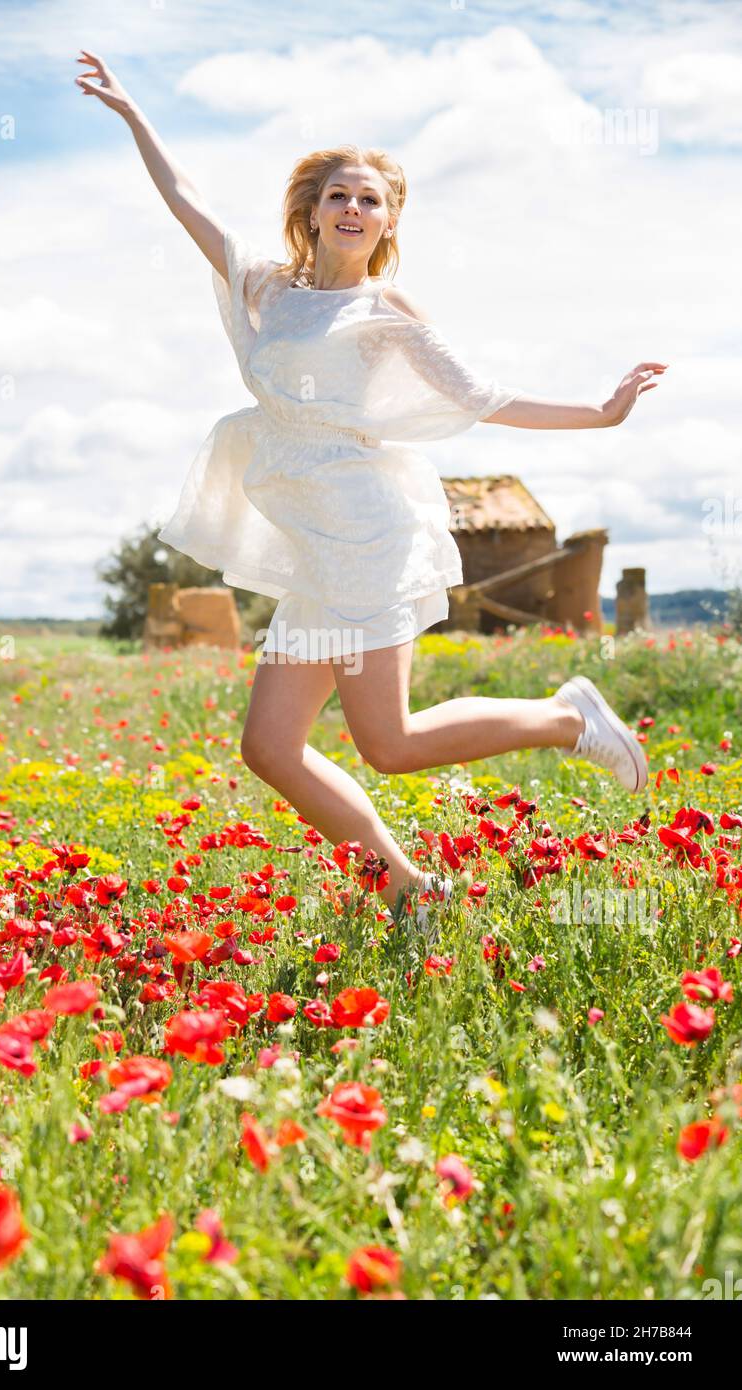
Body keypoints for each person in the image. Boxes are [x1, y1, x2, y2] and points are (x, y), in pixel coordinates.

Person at [76, 51, 666, 930]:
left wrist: (601, 412)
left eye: (371, 200)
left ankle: (564, 718)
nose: (353, 208)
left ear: (386, 224)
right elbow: (188, 197)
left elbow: (483, 397)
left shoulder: (386, 313)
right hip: (314, 543)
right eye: (339, 195)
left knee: (387, 743)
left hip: (366, 530)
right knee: (272, 747)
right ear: (310, 214)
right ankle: (408, 887)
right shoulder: (265, 289)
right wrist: (134, 117)